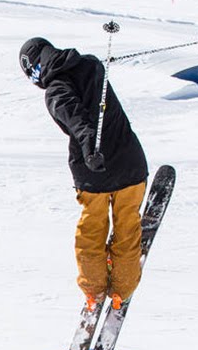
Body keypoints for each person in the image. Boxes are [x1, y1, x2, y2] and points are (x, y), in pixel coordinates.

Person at [20, 37, 149, 311]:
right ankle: (122, 288)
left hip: (94, 172)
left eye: (32, 73)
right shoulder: (90, 65)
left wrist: (90, 145)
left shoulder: (55, 91)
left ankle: (95, 290)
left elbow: (76, 118)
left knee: (92, 229)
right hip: (130, 163)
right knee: (127, 226)